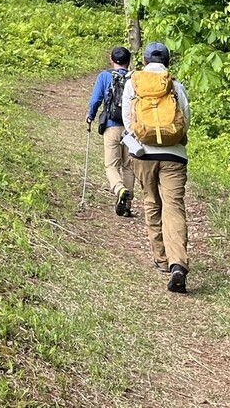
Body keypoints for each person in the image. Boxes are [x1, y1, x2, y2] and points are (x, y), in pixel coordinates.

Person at [122, 41, 191, 293]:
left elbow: (128, 121)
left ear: (144, 60)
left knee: (152, 202)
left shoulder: (134, 84)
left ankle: (161, 259)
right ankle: (178, 265)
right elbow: (185, 120)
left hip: (143, 154)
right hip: (174, 156)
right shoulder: (176, 86)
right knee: (174, 207)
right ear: (167, 61)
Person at [85, 46, 134, 217]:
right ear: (129, 61)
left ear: (111, 60)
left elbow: (95, 100)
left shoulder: (105, 76)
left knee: (112, 166)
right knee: (128, 166)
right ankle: (127, 205)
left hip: (111, 126)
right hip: (131, 130)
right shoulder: (134, 78)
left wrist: (90, 116)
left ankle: (119, 189)